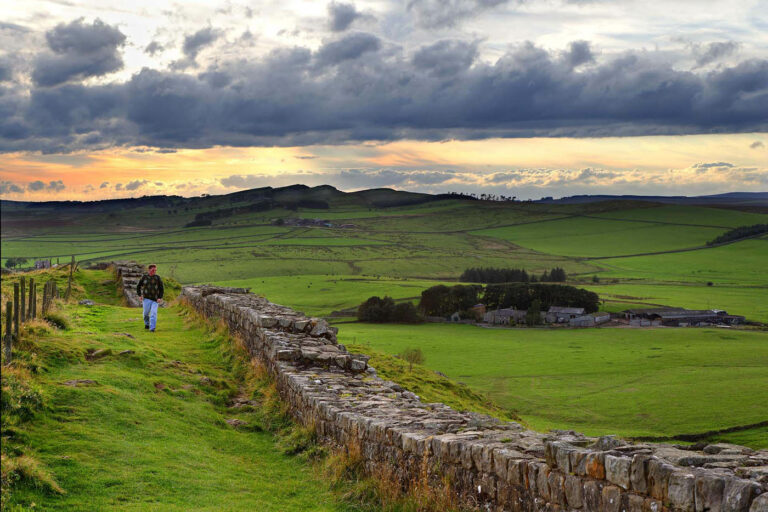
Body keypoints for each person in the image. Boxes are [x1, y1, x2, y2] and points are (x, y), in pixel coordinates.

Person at [137, 264, 164, 332]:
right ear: (149, 270)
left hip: (155, 300)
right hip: (146, 299)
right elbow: (138, 286)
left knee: (153, 313)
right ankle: (147, 324)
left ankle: (152, 328)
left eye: (155, 270)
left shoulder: (157, 278)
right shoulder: (144, 277)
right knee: (146, 314)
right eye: (153, 270)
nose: (154, 271)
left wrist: (160, 297)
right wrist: (140, 295)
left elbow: (161, 288)